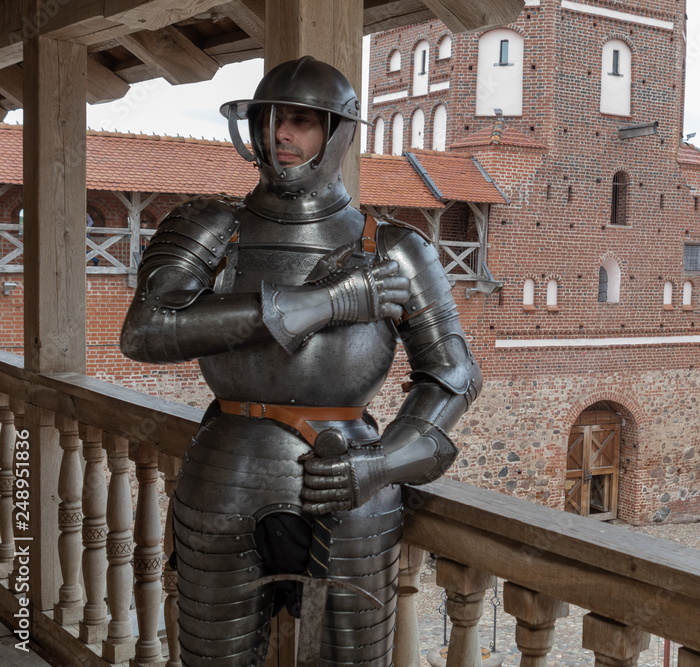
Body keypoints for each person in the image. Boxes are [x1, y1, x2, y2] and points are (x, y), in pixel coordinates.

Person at [120, 56, 481, 666]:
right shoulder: (213, 227)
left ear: (335, 132)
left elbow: (452, 374)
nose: (281, 136)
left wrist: (383, 462)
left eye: (302, 122)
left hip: (347, 480)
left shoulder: (392, 247)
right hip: (227, 470)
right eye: (272, 120)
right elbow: (148, 331)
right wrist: (324, 301)